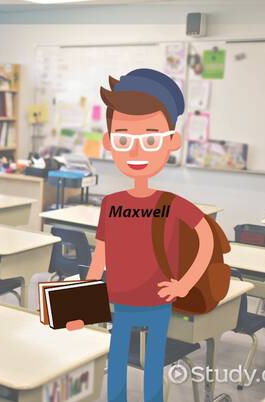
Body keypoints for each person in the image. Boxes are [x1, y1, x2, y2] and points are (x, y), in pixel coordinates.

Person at [84, 68, 214, 402]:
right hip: (119, 301)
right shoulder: (111, 203)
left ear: (172, 142)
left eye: (151, 140)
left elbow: (207, 237)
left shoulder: (172, 203)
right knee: (116, 362)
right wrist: (82, 301)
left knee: (152, 365)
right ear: (109, 142)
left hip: (158, 301)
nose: (136, 152)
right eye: (124, 140)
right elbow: (100, 255)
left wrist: (184, 284)